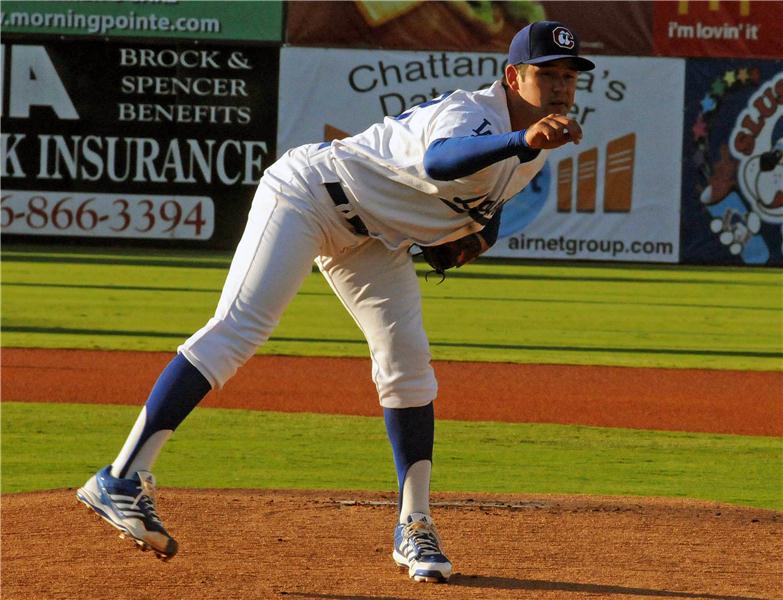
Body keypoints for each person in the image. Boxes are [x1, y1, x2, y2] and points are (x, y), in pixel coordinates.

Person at [77, 20, 594, 583]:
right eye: (548, 74)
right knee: (241, 326)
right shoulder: (475, 113)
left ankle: (414, 525)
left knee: (408, 363)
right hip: (308, 193)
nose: (562, 86)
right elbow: (442, 161)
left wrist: (469, 231)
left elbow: (463, 212)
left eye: (570, 76)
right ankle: (122, 477)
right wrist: (523, 140)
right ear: (513, 76)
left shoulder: (534, 154)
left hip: (370, 238)